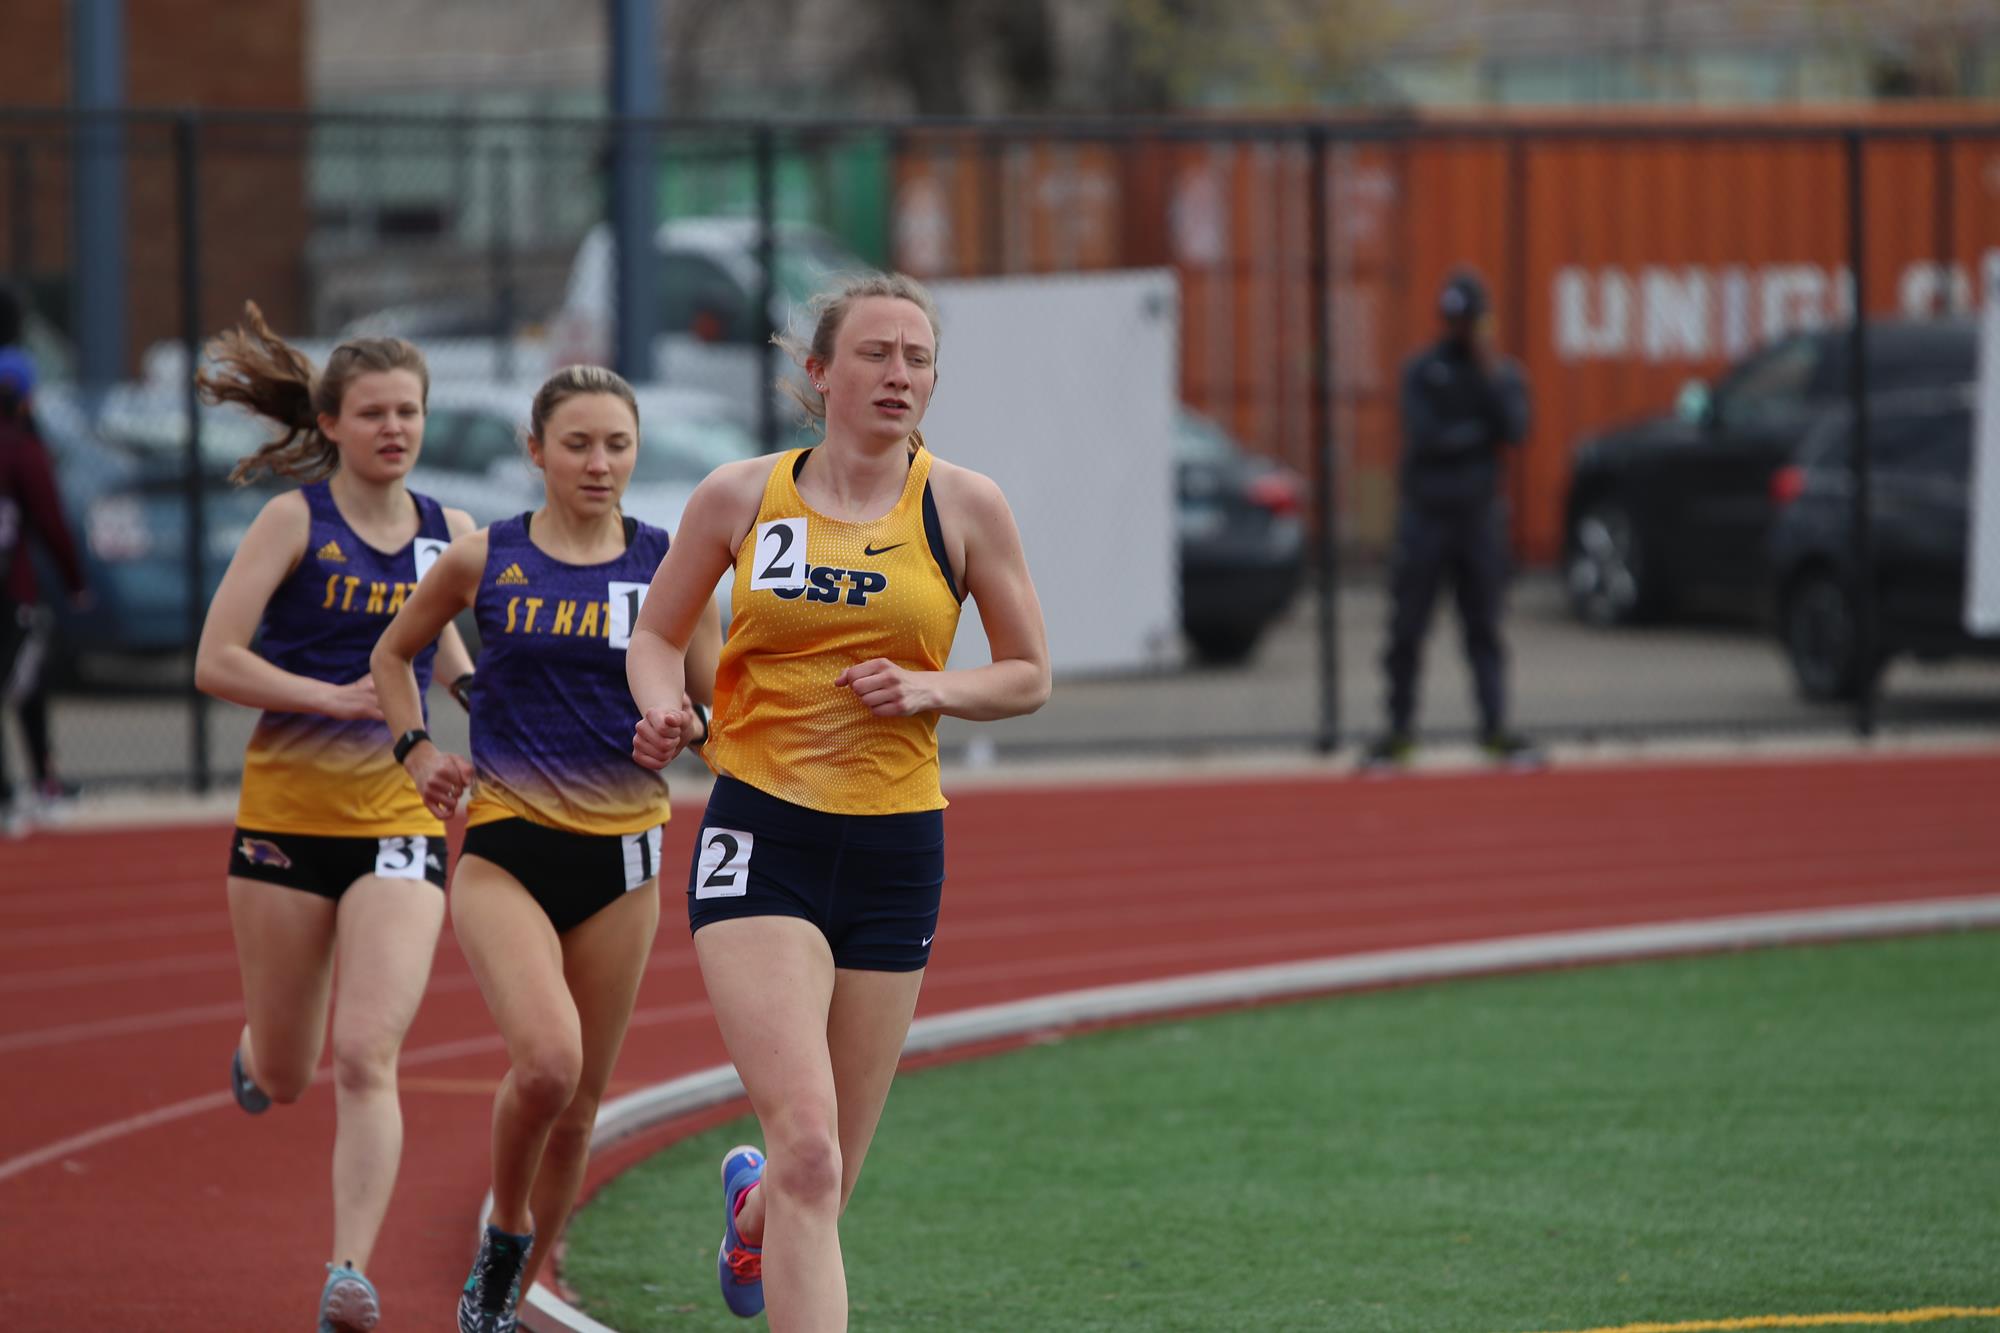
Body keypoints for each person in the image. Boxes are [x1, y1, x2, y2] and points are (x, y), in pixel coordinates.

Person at [625, 272, 1051, 1330]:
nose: (897, 372)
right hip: (761, 833)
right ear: (817, 374)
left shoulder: (963, 505)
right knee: (808, 1145)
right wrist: (661, 712)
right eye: (873, 352)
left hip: (896, 849)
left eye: (916, 356)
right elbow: (655, 635)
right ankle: (774, 1193)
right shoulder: (738, 495)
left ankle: (750, 1213)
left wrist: (933, 686)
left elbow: (1028, 672)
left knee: (825, 1175)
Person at [370, 364, 723, 1333]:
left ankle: (504, 1297)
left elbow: (720, 715)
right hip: (506, 852)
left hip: (622, 869)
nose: (598, 462)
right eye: (576, 443)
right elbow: (393, 654)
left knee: (580, 1107)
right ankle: (508, 1222)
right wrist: (415, 752)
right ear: (534, 452)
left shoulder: (669, 565)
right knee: (547, 1062)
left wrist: (683, 728)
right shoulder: (487, 559)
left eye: (616, 443)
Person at [192, 304, 477, 1333]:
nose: (395, 428)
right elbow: (215, 659)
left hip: (398, 819)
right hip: (283, 817)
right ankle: (257, 1051)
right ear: (333, 421)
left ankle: (347, 1275)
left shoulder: (446, 531)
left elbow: (452, 659)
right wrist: (337, 696)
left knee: (368, 1053)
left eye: (409, 411)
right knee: (290, 1067)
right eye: (374, 413)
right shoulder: (293, 522)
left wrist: (499, 715)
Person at [1364, 269, 1540, 771]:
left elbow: (1516, 428)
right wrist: (1474, 438)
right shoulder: (1421, 370)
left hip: (1477, 522)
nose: (1460, 329)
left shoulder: (1500, 375)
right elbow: (1426, 435)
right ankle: (1398, 731)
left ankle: (1494, 727)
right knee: (1406, 629)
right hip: (1426, 519)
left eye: (1469, 320)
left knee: (1484, 627)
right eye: (1454, 320)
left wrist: (1486, 383)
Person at [0, 346, 90, 836]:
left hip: (13, 593)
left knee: (28, 686)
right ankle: (22, 791)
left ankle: (40, 782)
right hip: (13, 596)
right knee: (21, 683)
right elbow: (53, 523)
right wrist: (76, 582)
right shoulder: (21, 448)